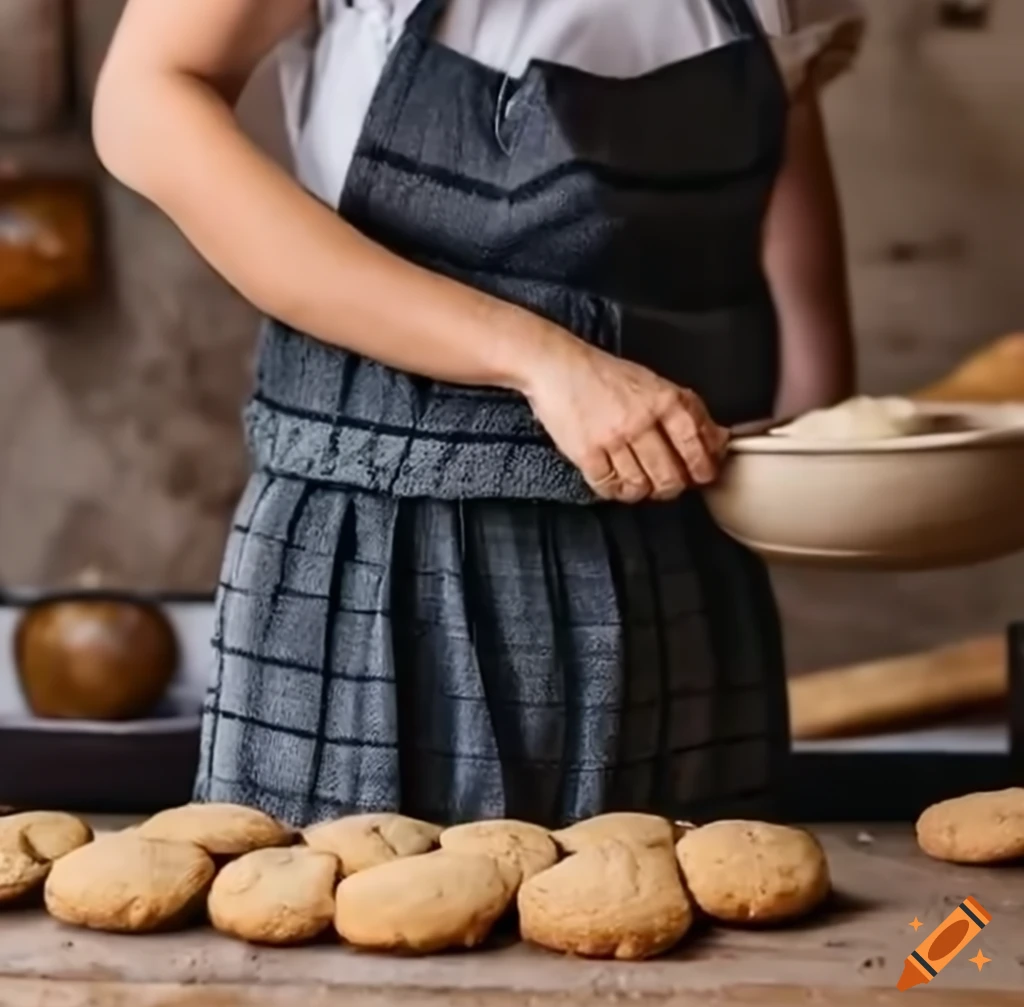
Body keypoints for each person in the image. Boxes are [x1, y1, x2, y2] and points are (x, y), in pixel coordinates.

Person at [94, 0, 863, 827]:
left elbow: (782, 118)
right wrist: (541, 359)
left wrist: (830, 439)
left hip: (677, 562)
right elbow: (144, 103)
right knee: (358, 923)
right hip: (384, 559)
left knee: (683, 928)